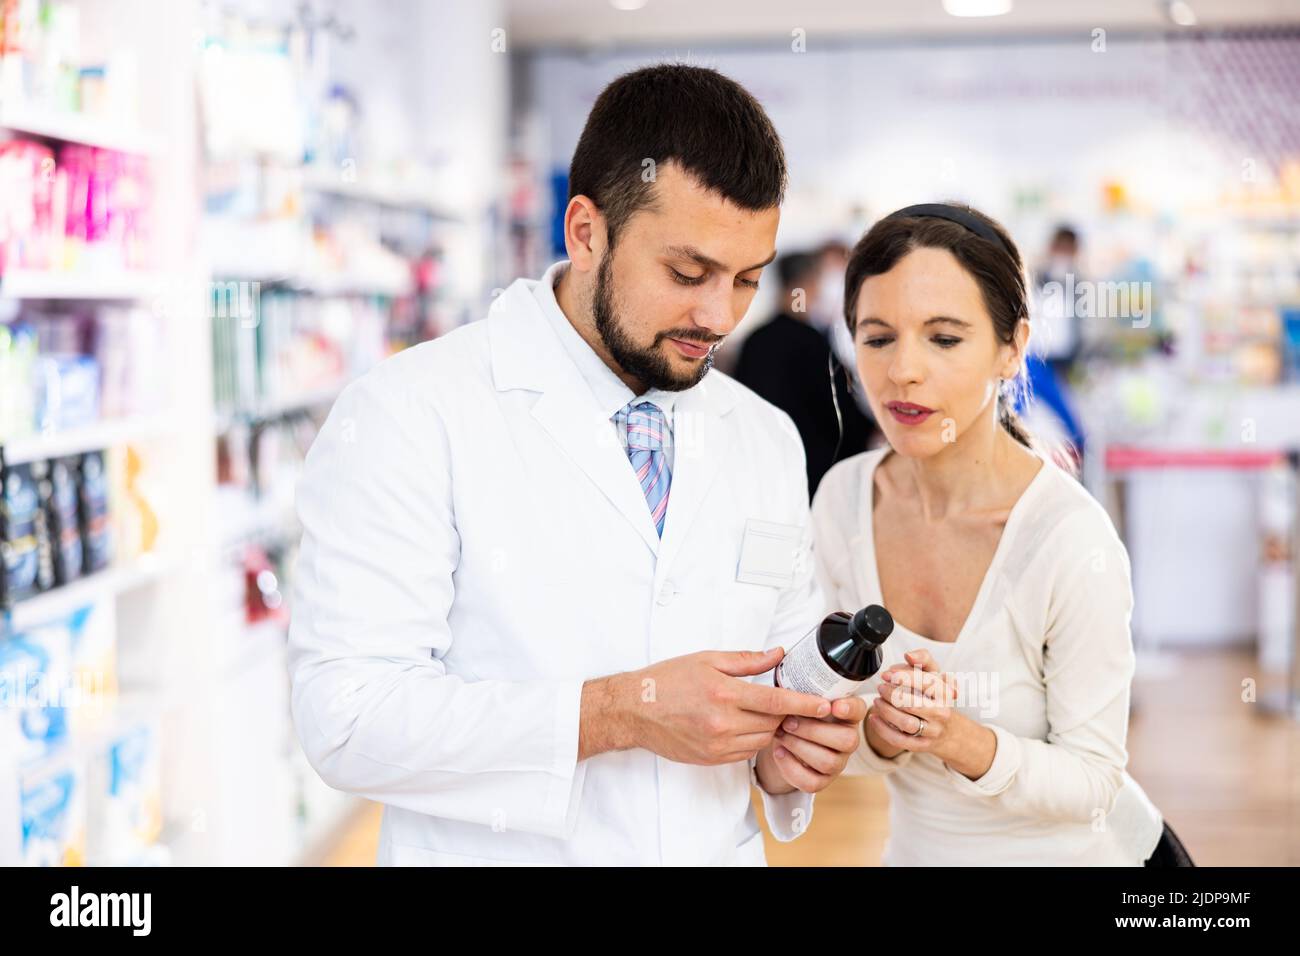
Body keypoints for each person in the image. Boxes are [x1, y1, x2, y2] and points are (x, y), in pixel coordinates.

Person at [287, 64, 868, 866]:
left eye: (746, 280)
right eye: (687, 273)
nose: (720, 316)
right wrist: (619, 713)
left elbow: (781, 665)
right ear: (586, 230)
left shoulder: (762, 436)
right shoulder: (410, 412)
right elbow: (346, 719)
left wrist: (789, 752)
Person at [810, 202, 1166, 865]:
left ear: (1012, 347)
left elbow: (1094, 783)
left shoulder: (1069, 540)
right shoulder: (843, 500)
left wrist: (957, 739)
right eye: (878, 337)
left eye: (944, 339)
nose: (903, 370)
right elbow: (833, 723)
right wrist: (884, 734)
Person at [735, 251, 876, 498]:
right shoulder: (812, 343)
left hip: (761, 474)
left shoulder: (755, 341)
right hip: (814, 475)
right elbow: (840, 411)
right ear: (809, 283)